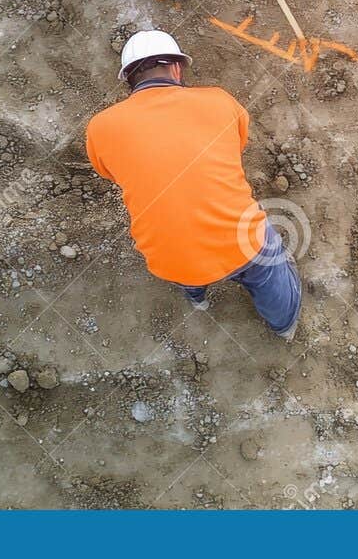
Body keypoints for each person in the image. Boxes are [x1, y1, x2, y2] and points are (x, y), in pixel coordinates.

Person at [84, 30, 301, 339]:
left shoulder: (100, 127)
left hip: (167, 258)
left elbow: (109, 172)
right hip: (242, 244)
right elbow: (237, 145)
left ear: (129, 79)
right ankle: (284, 325)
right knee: (268, 264)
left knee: (184, 264)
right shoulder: (219, 100)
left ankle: (197, 296)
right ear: (176, 68)